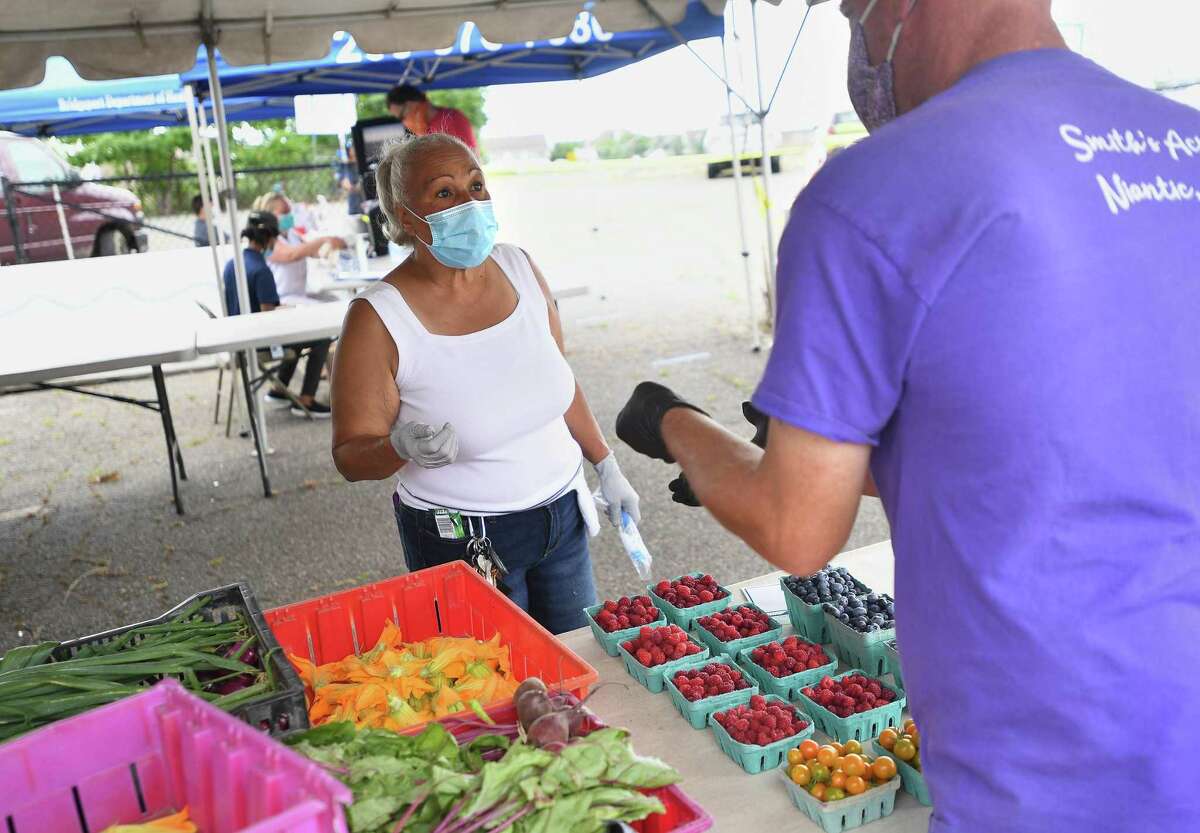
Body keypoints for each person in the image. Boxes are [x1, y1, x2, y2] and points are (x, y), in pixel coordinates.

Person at [615, 1, 1200, 831]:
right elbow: (1070, 453)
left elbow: (797, 526)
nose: (856, 37)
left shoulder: (872, 192)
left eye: (853, 10)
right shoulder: (1185, 140)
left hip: (1055, 779)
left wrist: (673, 419)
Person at [330, 133, 638, 634]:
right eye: (445, 193)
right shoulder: (377, 318)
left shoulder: (519, 266)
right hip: (464, 539)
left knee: (579, 667)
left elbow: (558, 380)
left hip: (562, 518)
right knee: (493, 686)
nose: (470, 202)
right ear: (407, 218)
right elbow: (350, 455)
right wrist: (396, 446)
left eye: (476, 184)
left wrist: (605, 463)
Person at [223, 211, 333, 418]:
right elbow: (269, 317)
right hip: (258, 341)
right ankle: (307, 398)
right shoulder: (261, 270)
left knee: (298, 338)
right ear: (271, 239)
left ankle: (279, 390)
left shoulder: (232, 263)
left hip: (238, 334)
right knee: (320, 340)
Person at [259, 191, 346, 305]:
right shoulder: (266, 239)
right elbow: (291, 254)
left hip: (299, 295)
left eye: (289, 210)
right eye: (284, 212)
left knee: (336, 301)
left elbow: (312, 252)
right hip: (282, 299)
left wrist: (333, 245)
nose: (289, 215)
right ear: (270, 215)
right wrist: (324, 240)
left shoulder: (292, 234)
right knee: (326, 308)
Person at [386, 85, 477, 150]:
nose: (404, 121)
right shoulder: (424, 128)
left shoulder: (452, 118)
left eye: (402, 116)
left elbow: (469, 156)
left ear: (412, 104)